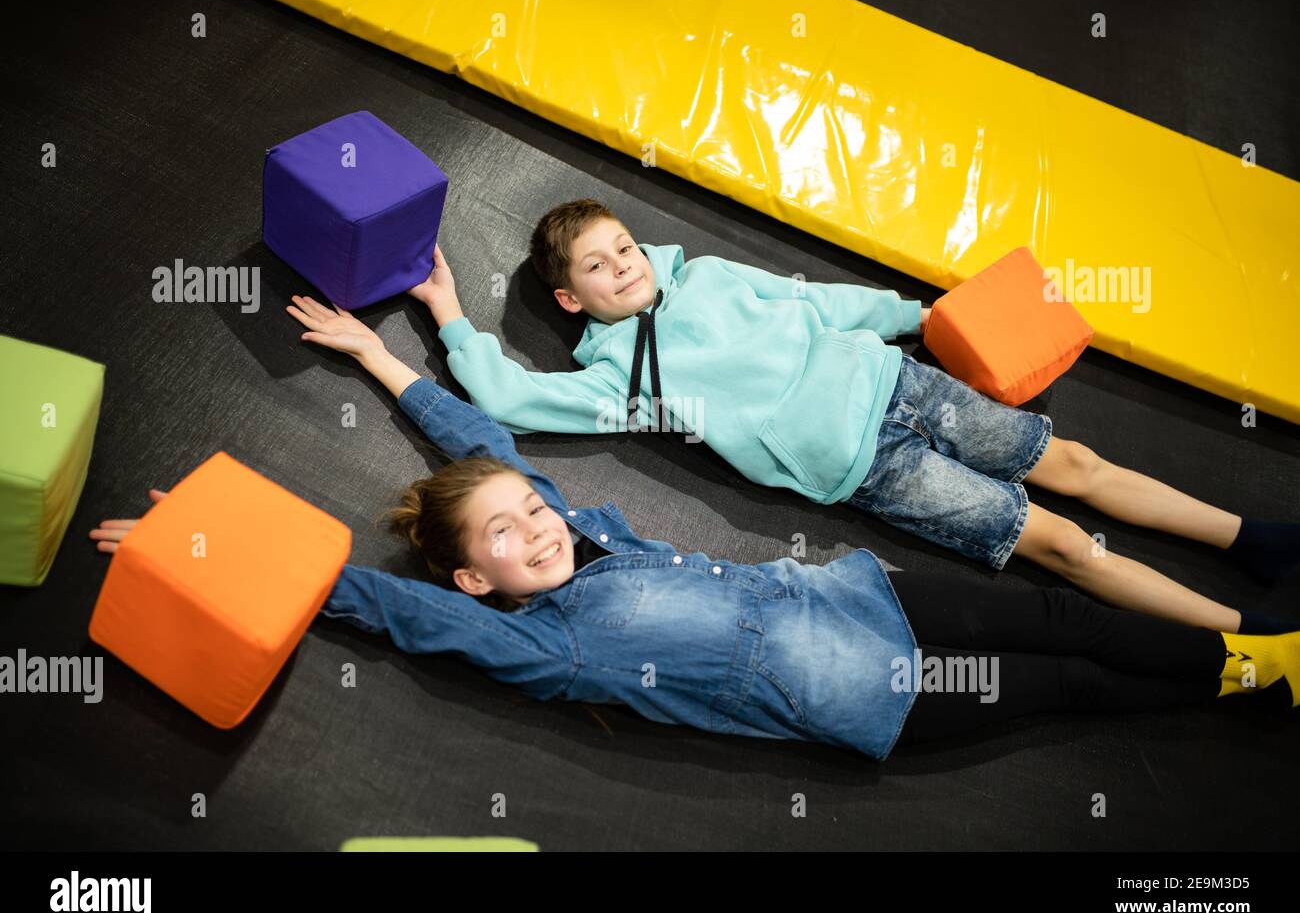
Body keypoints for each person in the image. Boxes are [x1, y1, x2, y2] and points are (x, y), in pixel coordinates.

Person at [88, 298, 1300, 759]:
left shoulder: (564, 521)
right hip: (869, 694)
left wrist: (380, 356)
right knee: (1074, 679)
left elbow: (485, 453)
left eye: (530, 515)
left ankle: (1258, 656)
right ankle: (1241, 677)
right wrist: (209, 544)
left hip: (857, 594)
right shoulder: (544, 646)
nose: (535, 529)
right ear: (479, 580)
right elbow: (387, 601)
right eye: (508, 540)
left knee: (1055, 609)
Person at [401, 199, 1300, 636]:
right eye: (598, 266)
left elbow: (818, 301)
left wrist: (919, 314)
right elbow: (511, 397)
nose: (624, 266)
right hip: (871, 467)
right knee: (1058, 544)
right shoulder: (623, 379)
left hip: (902, 381)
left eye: (625, 247)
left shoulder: (707, 277)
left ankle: (1252, 538)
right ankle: (1241, 636)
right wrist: (449, 313)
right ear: (569, 298)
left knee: (1078, 462)